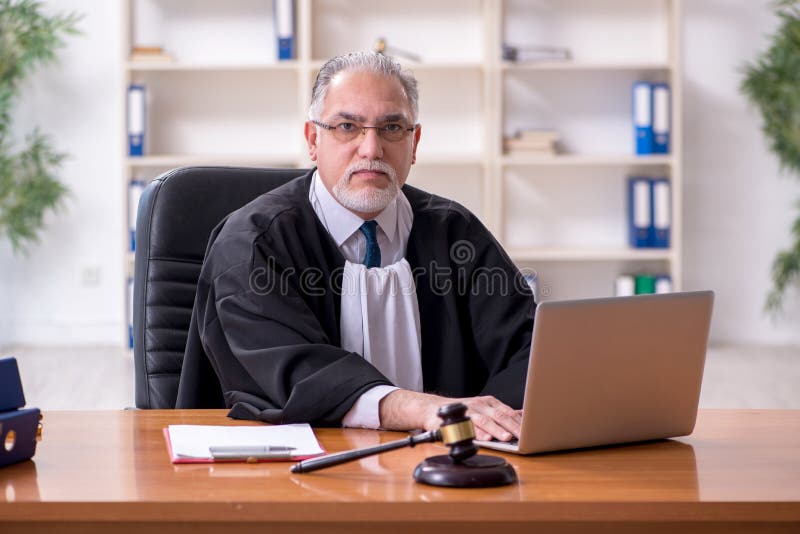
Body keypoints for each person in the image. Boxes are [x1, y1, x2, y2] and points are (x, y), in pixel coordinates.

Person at [177, 51, 535, 442]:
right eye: (347, 126)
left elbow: (531, 351)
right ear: (314, 140)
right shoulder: (252, 243)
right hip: (297, 467)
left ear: (414, 143)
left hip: (442, 460)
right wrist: (424, 409)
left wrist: (484, 423)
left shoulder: (454, 233)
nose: (371, 149)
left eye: (391, 127)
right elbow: (294, 371)